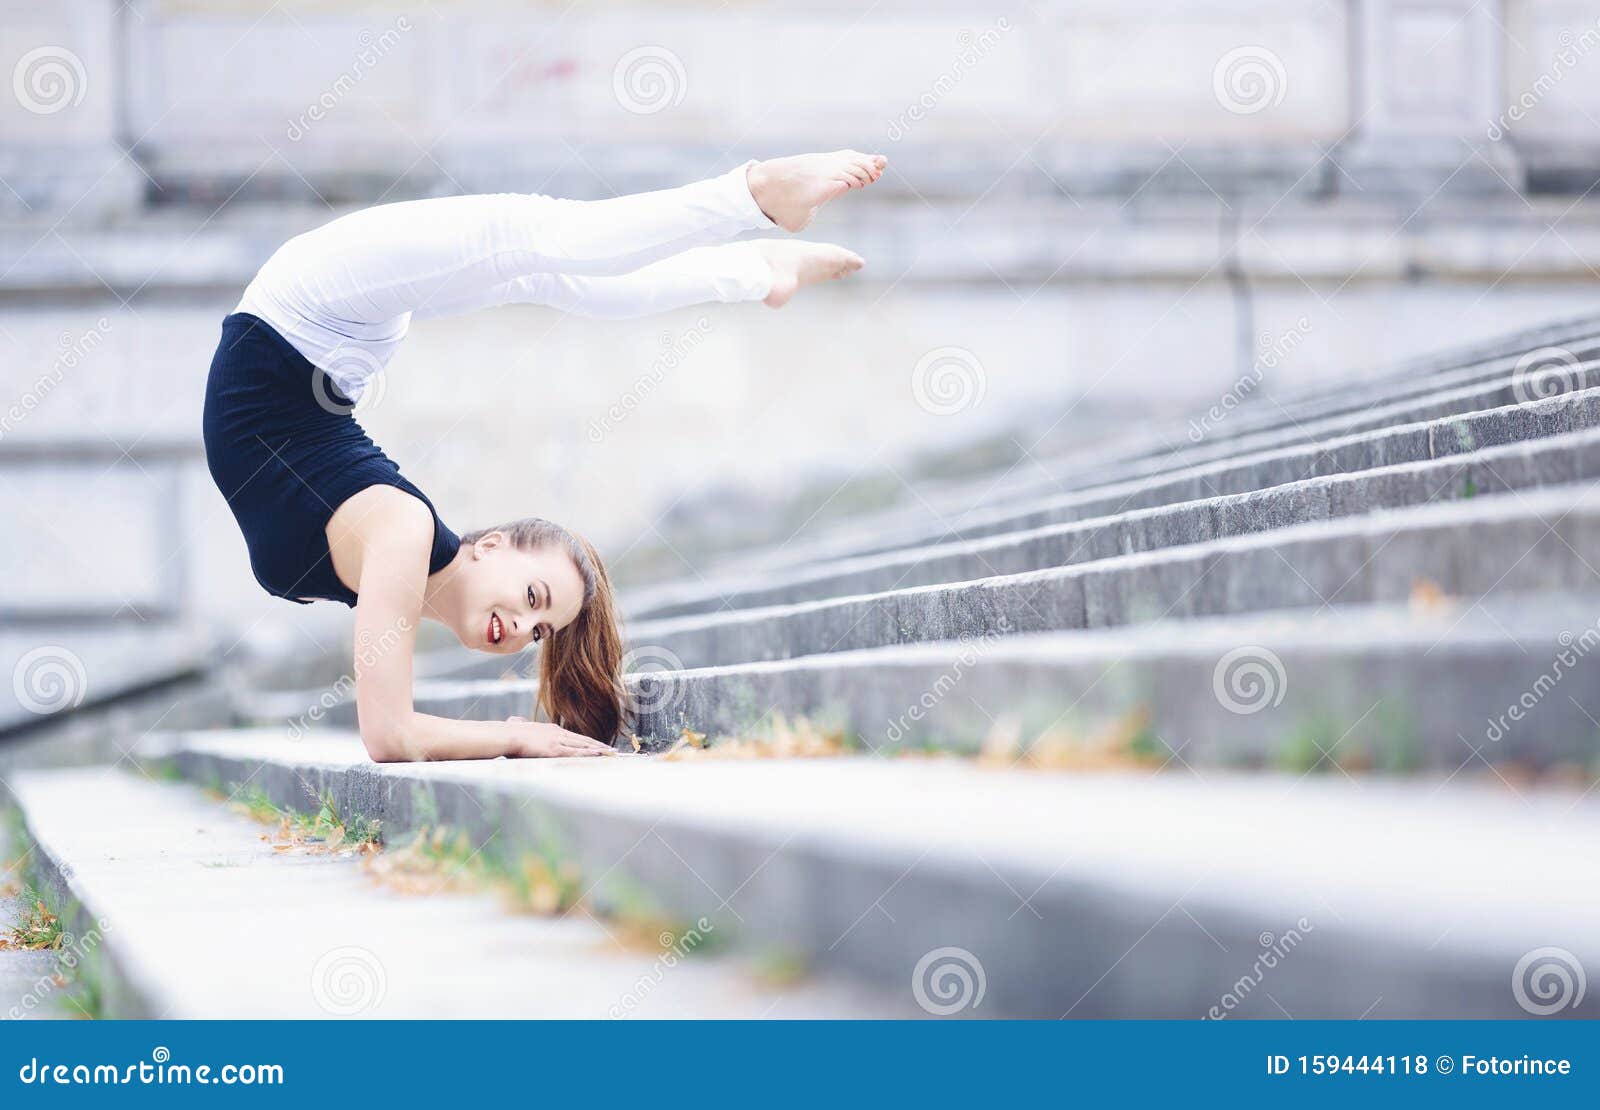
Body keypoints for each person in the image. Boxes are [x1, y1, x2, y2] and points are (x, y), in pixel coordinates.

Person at [202, 151, 886, 762]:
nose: (523, 627)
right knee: (528, 240)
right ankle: (756, 193)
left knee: (543, 270)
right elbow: (391, 735)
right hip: (309, 307)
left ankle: (758, 270)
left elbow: (392, 731)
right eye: (535, 601)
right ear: (491, 545)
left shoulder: (398, 559)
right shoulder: (403, 532)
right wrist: (515, 733)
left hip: (330, 337)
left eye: (538, 630)